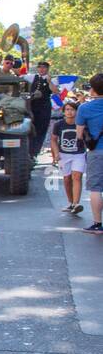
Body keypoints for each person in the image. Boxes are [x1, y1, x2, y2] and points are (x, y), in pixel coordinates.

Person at [76, 74, 103, 234]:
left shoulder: (84, 108)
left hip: (96, 151)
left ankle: (98, 223)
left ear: (92, 89)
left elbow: (79, 134)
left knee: (95, 188)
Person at [52, 99, 86, 215]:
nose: (69, 112)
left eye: (72, 109)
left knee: (77, 176)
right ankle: (71, 202)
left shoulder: (81, 123)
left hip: (79, 154)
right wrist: (56, 153)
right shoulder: (58, 125)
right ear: (63, 112)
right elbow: (53, 140)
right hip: (64, 155)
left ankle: (76, 204)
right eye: (67, 109)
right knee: (67, 179)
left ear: (76, 111)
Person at [28, 61, 55, 158]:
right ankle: (29, 150)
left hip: (44, 106)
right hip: (32, 105)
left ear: (47, 69)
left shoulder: (51, 79)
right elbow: (19, 77)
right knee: (30, 128)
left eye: (44, 67)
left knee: (41, 129)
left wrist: (49, 82)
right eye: (39, 67)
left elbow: (56, 91)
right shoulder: (32, 77)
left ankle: (35, 152)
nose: (41, 69)